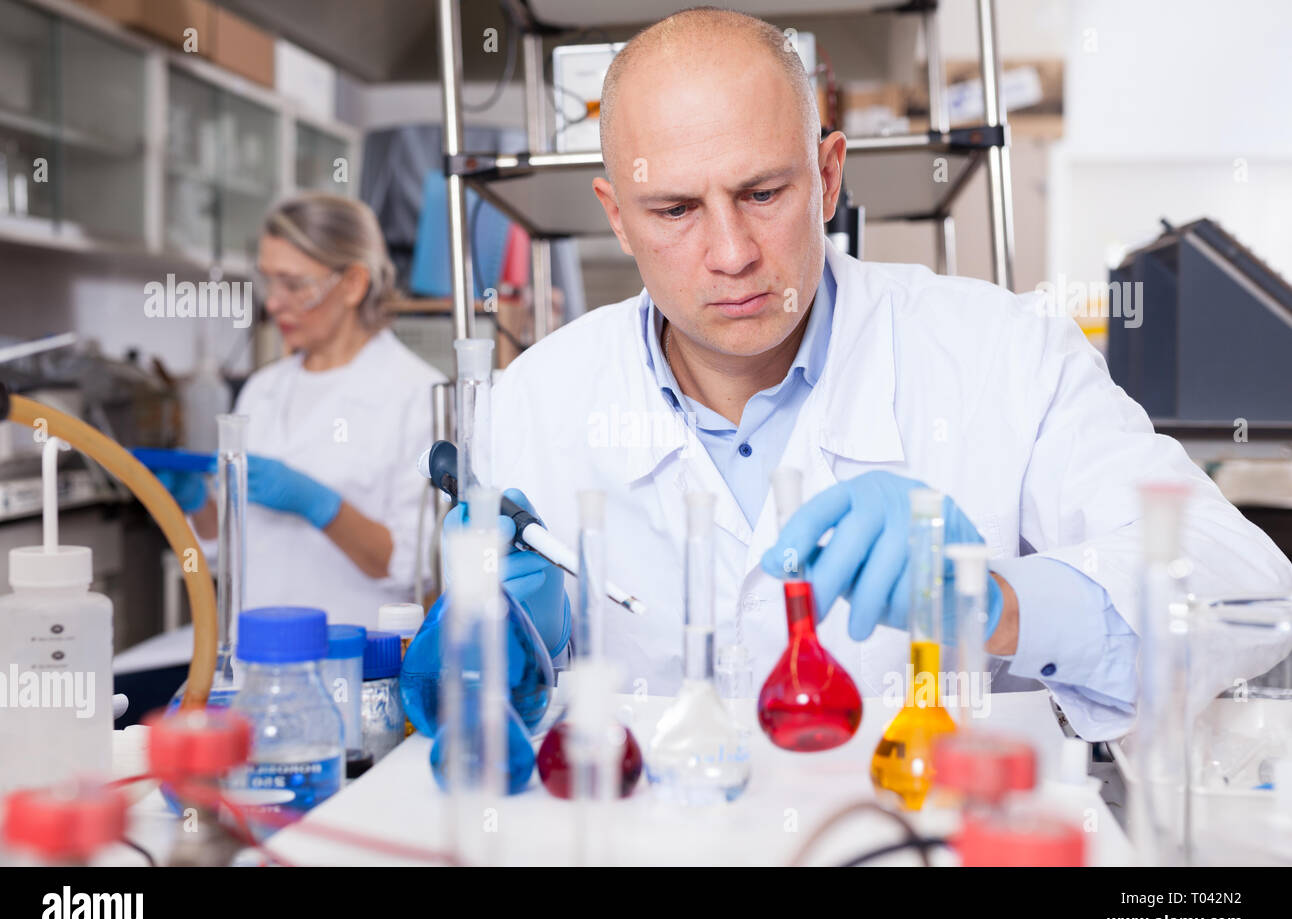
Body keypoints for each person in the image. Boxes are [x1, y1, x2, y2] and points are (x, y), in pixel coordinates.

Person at [469, 9, 1291, 741]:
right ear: (617, 216)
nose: (730, 254)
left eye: (762, 192)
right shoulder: (535, 402)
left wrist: (997, 600)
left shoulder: (1005, 353)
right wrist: (484, 650)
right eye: (675, 210)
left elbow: (1248, 592)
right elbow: (494, 711)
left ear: (827, 175)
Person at [160, 194, 446, 625]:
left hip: (357, 660)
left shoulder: (417, 394)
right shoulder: (262, 389)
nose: (273, 303)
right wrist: (199, 504)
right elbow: (227, 551)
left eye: (294, 285)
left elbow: (414, 564)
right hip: (254, 659)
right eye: (268, 282)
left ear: (353, 283)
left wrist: (321, 506)